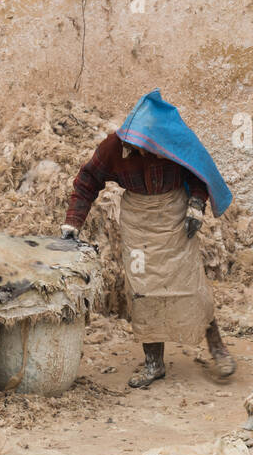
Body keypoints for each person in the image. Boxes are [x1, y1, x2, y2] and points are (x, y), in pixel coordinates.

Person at [62, 90, 236, 388]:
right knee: (142, 291)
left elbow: (198, 172)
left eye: (149, 149)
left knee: (192, 286)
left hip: (175, 218)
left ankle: (217, 349)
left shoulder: (174, 140)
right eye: (138, 148)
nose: (145, 153)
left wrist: (196, 204)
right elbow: (88, 181)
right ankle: (154, 362)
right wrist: (72, 223)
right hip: (138, 223)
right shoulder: (114, 147)